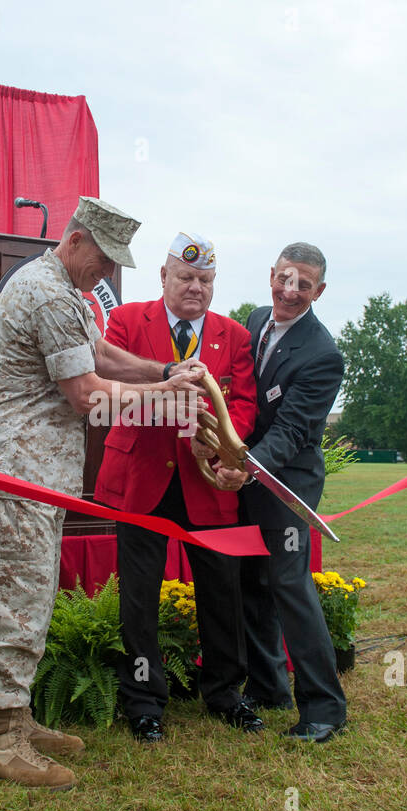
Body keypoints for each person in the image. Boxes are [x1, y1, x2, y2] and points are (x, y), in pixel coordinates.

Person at [0, 197, 204, 789]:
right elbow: (86, 393)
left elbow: (96, 353)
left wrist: (162, 371)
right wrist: (170, 401)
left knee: (31, 595)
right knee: (17, 600)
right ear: (73, 241)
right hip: (17, 473)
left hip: (33, 474)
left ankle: (17, 720)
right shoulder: (48, 291)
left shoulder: (59, 286)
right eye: (101, 259)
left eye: (112, 265)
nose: (105, 273)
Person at [93, 232, 261, 742]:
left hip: (207, 483)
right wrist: (164, 402)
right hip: (140, 479)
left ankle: (225, 694)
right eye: (186, 277)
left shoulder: (234, 335)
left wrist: (223, 447)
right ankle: (144, 702)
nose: (196, 288)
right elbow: (107, 391)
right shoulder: (124, 321)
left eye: (205, 280)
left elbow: (246, 405)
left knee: (221, 591)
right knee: (139, 597)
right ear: (162, 277)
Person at [221, 242, 348, 743]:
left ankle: (324, 707)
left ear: (320, 291)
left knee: (290, 586)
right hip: (248, 475)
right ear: (271, 273)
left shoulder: (323, 354)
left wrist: (243, 466)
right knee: (252, 580)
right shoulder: (253, 319)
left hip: (286, 483)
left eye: (304, 285)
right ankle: (269, 684)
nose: (290, 292)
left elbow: (293, 432)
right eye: (284, 279)